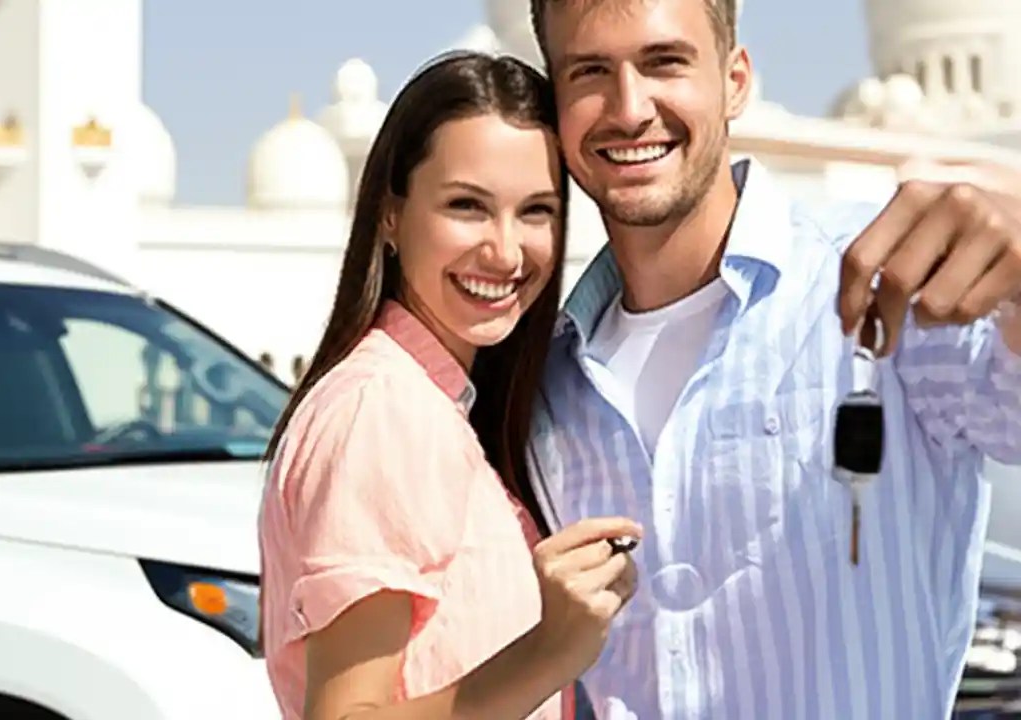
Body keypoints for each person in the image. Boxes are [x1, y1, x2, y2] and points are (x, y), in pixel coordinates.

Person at [523, 0, 1021, 718]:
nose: (629, 108)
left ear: (735, 80)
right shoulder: (547, 382)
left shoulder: (889, 278)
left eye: (664, 62)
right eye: (590, 72)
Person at [258, 51, 642, 720]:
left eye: (535, 211)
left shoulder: (442, 408)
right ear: (389, 214)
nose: (505, 251)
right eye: (467, 206)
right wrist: (552, 650)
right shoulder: (381, 410)